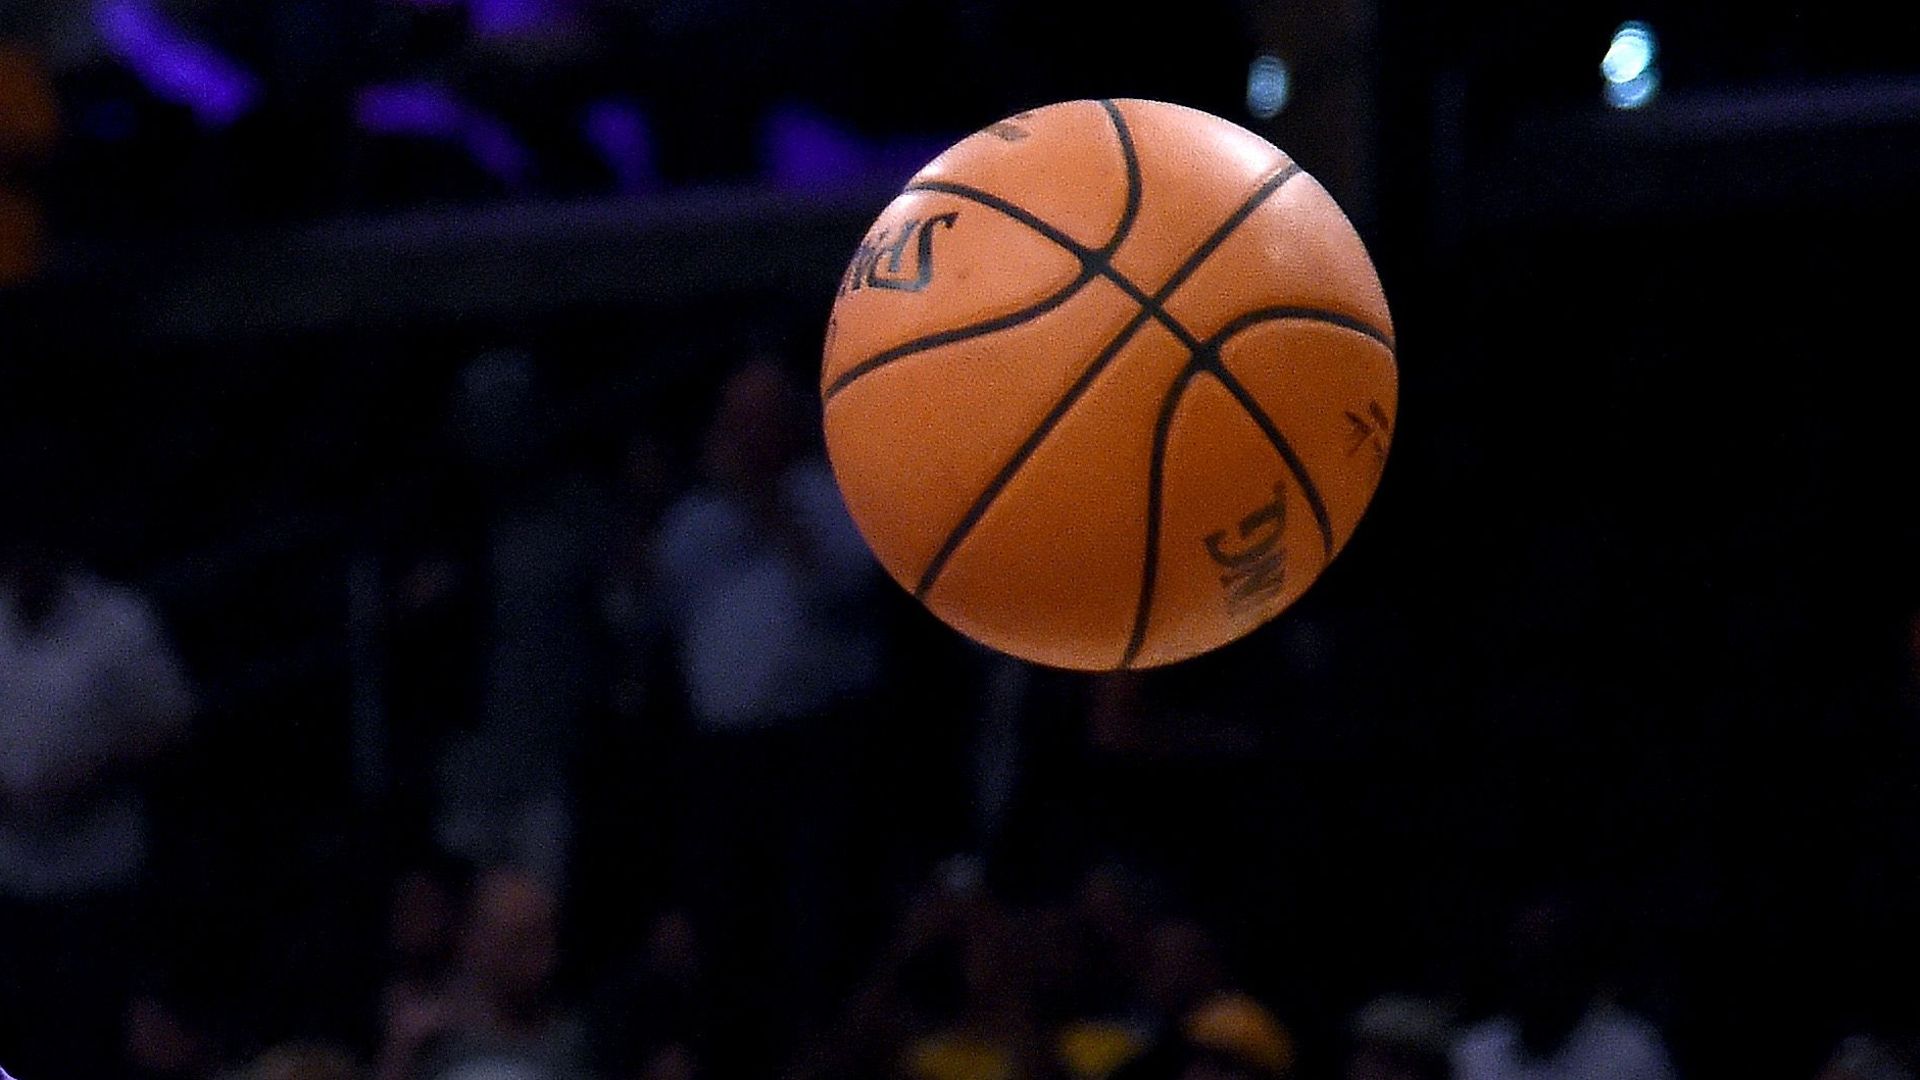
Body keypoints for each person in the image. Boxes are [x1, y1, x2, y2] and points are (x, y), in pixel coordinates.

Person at [648, 352, 885, 1054]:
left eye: (761, 417)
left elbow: (842, 587)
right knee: (729, 933)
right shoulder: (694, 520)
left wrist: (761, 499)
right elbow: (649, 613)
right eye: (734, 418)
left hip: (817, 753)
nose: (745, 432)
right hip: (723, 762)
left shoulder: (834, 497)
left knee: (812, 931)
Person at [0, 522, 195, 1080]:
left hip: (99, 877)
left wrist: (91, 774)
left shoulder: (117, 621)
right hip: (12, 879)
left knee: (95, 1039)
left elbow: (173, 726)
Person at [373, 865, 594, 1080]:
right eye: (521, 942)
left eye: (547, 939)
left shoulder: (577, 1043)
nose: (545, 958)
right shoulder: (428, 1035)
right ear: (475, 941)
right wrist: (400, 1053)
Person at [1450, 895, 1678, 1080]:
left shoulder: (1633, 1054)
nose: (1538, 983)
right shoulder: (1475, 1055)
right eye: (1528, 963)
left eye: (1550, 962)